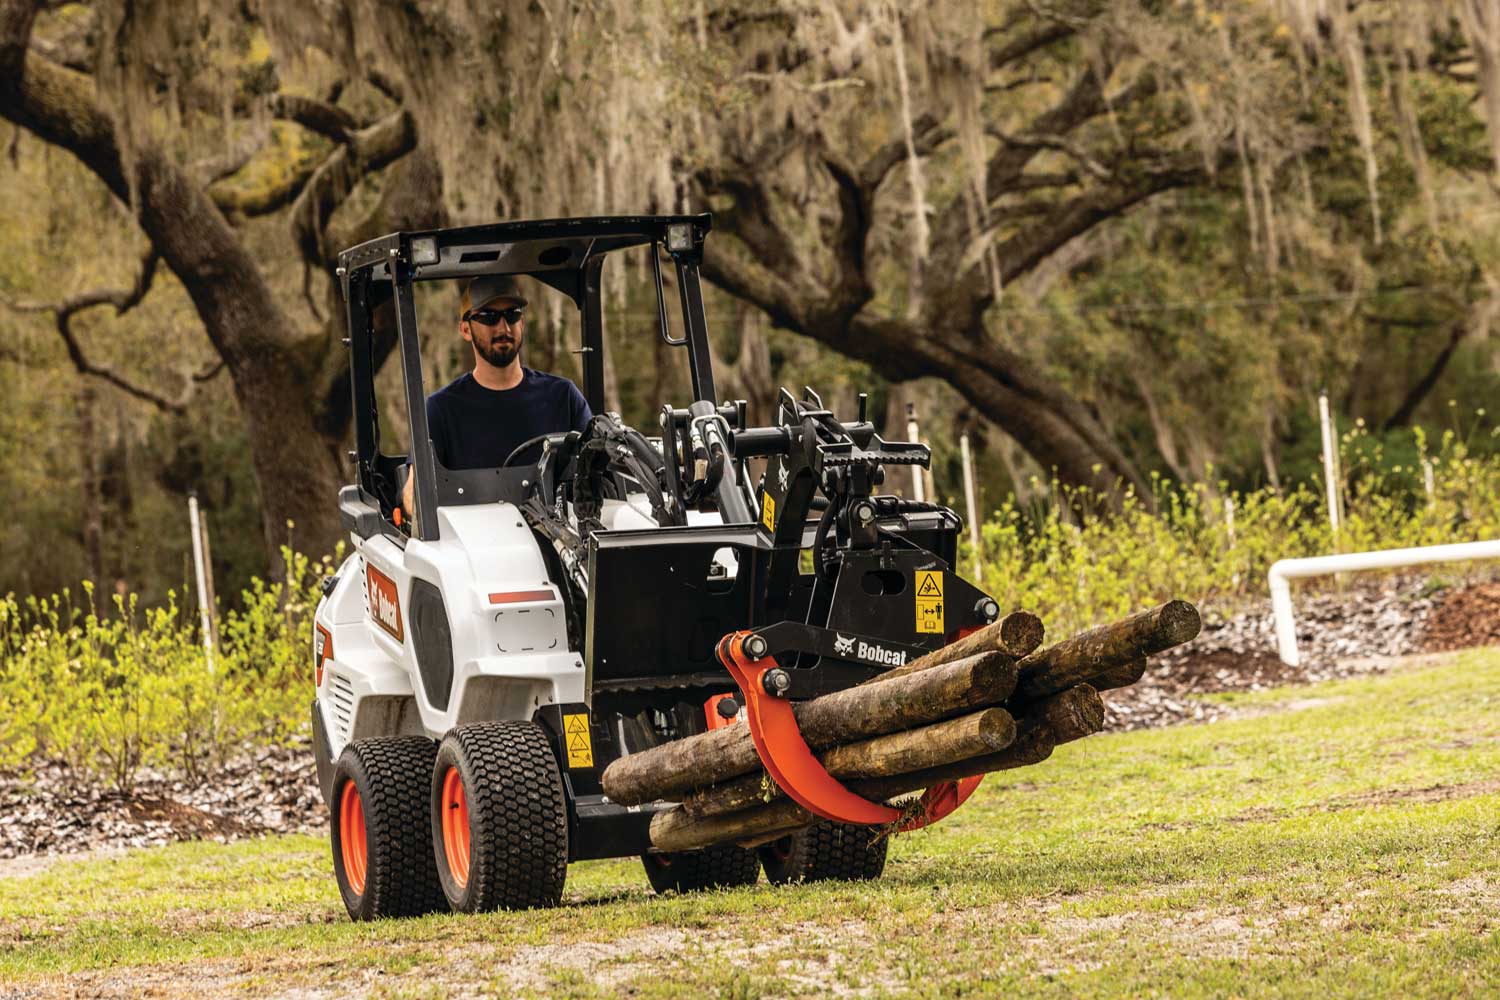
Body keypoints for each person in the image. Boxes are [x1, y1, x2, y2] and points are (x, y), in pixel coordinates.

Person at [402, 274, 592, 517]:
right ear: (465, 329)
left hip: (559, 545)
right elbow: (413, 491)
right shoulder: (440, 410)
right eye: (489, 317)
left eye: (512, 315)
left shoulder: (564, 396)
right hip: (475, 547)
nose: (503, 327)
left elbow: (597, 471)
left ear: (522, 323)